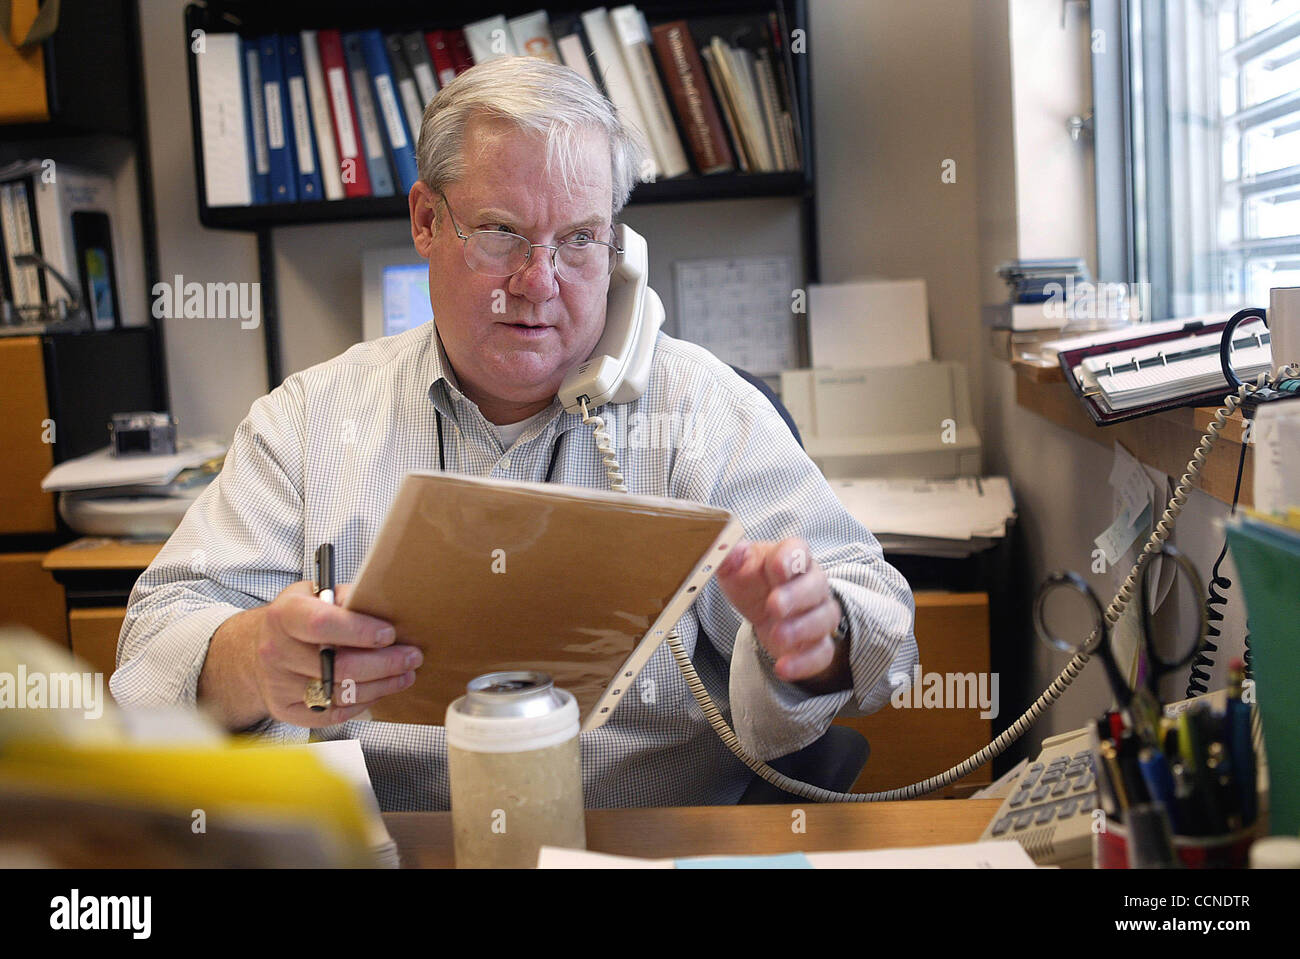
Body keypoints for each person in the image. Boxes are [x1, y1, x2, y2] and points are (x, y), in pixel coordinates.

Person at [112, 56, 917, 809]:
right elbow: (148, 652)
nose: (538, 283)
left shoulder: (699, 409)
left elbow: (880, 618)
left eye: (578, 240)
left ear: (617, 247)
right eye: (501, 231)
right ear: (427, 220)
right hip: (383, 850)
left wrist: (820, 628)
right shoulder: (307, 419)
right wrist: (254, 656)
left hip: (630, 850)